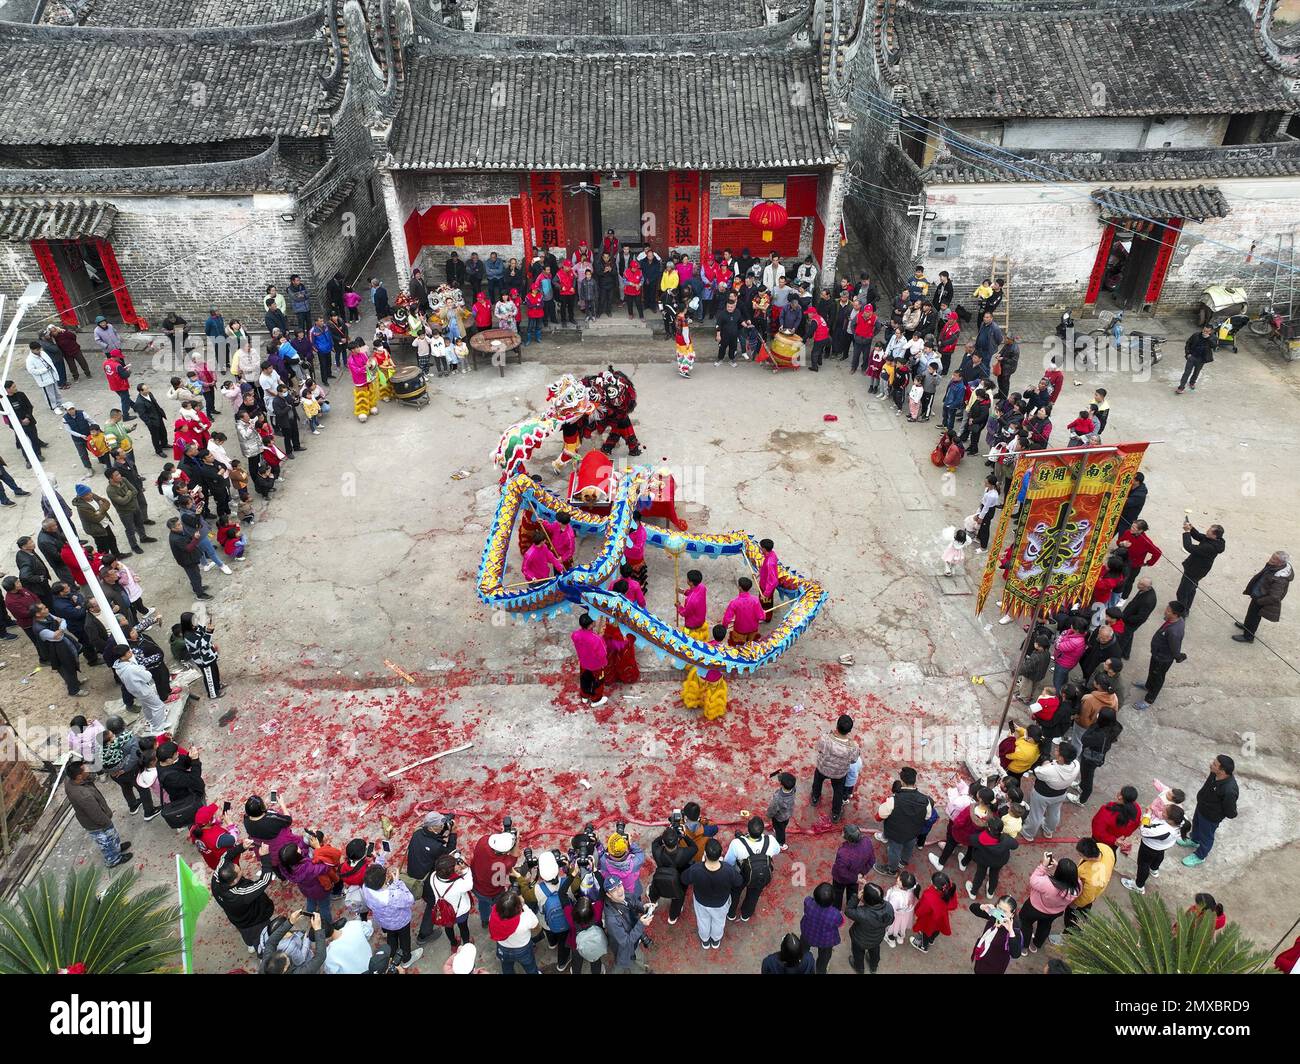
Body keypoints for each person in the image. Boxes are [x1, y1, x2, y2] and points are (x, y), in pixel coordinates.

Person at [64, 759, 131, 867]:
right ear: (79, 776)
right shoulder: (83, 795)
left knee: (112, 838)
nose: (88, 769)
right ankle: (113, 860)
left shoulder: (69, 780)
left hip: (90, 818)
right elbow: (96, 815)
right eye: (85, 769)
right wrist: (107, 822)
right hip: (97, 824)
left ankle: (117, 848)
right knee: (106, 842)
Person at [1177, 754, 1239, 867]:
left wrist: (1217, 814)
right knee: (1196, 825)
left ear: (1222, 771)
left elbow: (1230, 811)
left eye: (1214, 764)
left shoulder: (1229, 790)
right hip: (1201, 807)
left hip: (1211, 817)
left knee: (1206, 836)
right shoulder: (1215, 773)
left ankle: (1200, 856)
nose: (1211, 764)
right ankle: (1194, 840)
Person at [681, 838, 741, 950]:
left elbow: (684, 879)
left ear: (705, 854)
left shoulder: (696, 869)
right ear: (720, 855)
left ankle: (705, 941)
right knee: (719, 922)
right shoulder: (728, 869)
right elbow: (739, 882)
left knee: (703, 921)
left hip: (701, 902)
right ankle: (715, 940)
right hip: (721, 903)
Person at [362, 863, 423, 970]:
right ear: (384, 880)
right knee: (404, 939)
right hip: (400, 921)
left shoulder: (366, 887)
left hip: (384, 921)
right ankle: (406, 959)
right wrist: (397, 882)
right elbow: (409, 899)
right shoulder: (393, 896)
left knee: (391, 936)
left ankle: (393, 956)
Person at [875, 766, 933, 875]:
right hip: (913, 832)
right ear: (914, 781)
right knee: (909, 846)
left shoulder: (893, 800)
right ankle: (903, 861)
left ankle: (892, 870)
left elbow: (881, 814)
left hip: (896, 834)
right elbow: (927, 817)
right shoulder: (926, 801)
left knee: (894, 851)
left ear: (902, 782)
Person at [212, 851, 275, 953]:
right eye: (239, 870)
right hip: (255, 921)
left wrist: (242, 847)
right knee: (261, 939)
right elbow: (264, 881)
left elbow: (224, 858)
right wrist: (265, 857)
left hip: (239, 920)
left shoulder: (215, 882)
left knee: (246, 934)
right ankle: (262, 954)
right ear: (234, 881)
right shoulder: (239, 895)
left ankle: (250, 945)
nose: (239, 868)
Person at [1131, 601, 1187, 712]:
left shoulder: (1174, 631)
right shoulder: (1175, 620)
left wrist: (1178, 657)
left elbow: (1175, 649)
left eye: (1168, 610)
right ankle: (1148, 685)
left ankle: (1149, 700)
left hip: (1163, 658)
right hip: (1157, 654)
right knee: (1152, 671)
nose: (1165, 611)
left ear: (1175, 614)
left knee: (1158, 678)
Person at [1121, 805, 1189, 894]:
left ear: (1170, 820)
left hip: (1150, 848)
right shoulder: (1182, 819)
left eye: (1164, 812)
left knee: (1143, 865)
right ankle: (1154, 869)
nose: (1162, 810)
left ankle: (1139, 886)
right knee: (1159, 856)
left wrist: (1147, 814)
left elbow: (1144, 830)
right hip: (1162, 846)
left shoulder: (1164, 830)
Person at [1020, 740, 1080, 841]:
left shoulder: (1050, 770)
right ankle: (1048, 831)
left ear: (1061, 758)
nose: (1055, 749)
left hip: (1042, 795)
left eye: (1057, 750)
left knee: (1036, 815)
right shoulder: (1076, 765)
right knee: (1054, 813)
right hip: (1061, 793)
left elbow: (1037, 772)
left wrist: (1046, 763)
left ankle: (1028, 834)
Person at [1019, 854, 1080, 953]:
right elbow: (1074, 878)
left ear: (1059, 872)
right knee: (1045, 927)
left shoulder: (1047, 884)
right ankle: (1035, 945)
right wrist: (1059, 866)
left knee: (1026, 924)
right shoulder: (1077, 888)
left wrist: (1043, 866)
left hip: (1034, 908)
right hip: (1054, 913)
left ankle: (1024, 947)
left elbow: (1033, 880)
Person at [724, 815, 780, 922]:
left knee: (735, 893)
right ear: (762, 830)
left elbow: (728, 862)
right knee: (754, 895)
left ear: (748, 830)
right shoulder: (771, 840)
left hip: (740, 874)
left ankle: (731, 914)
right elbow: (777, 851)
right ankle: (745, 915)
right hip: (760, 873)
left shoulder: (737, 843)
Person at [1234, 550, 1292, 644]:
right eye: (1272, 557)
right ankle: (1246, 627)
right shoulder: (1274, 566)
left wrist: (1260, 601)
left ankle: (1248, 637)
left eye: (1274, 559)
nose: (1270, 559)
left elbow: (1274, 597)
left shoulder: (1280, 579)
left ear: (1280, 563)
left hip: (1262, 600)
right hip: (1258, 596)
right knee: (1250, 614)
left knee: (1254, 618)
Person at [811, 713, 859, 823]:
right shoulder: (853, 747)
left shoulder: (825, 738)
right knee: (838, 791)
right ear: (849, 731)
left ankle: (815, 798)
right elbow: (853, 760)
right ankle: (835, 814)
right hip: (839, 773)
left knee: (817, 782)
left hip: (823, 768)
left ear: (836, 726)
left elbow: (819, 749)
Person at [602, 875, 654, 973]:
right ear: (608, 895)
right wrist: (641, 924)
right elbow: (625, 943)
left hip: (633, 936)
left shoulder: (625, 894)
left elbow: (634, 903)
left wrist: (644, 907)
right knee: (629, 964)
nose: (619, 891)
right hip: (625, 947)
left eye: (619, 885)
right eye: (613, 890)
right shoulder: (612, 920)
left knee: (638, 958)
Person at [1064, 836, 1115, 931]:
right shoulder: (1105, 849)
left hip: (1085, 895)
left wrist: (1074, 904)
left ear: (1087, 857)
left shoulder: (1093, 879)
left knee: (1072, 916)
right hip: (1095, 891)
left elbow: (1087, 897)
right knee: (1086, 909)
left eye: (1080, 854)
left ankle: (1070, 932)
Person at [470, 830, 518, 928]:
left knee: (483, 905)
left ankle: (484, 921)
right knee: (499, 908)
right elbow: (515, 854)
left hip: (478, 886)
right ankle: (498, 922)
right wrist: (516, 841)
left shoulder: (482, 842)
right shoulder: (506, 863)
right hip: (496, 891)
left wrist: (504, 838)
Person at [1176, 521, 1225, 611]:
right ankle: (1186, 609)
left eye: (1209, 531)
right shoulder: (1216, 540)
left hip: (1194, 571)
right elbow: (1199, 536)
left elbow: (1189, 547)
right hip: (1199, 570)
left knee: (1182, 593)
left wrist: (1187, 532)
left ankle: (1180, 613)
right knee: (1191, 590)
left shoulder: (1209, 547)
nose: (1207, 531)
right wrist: (1191, 528)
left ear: (1214, 535)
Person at [969, 896, 1024, 975]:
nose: (1000, 913)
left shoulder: (1015, 929)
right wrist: (983, 907)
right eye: (999, 908)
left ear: (1012, 913)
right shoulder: (995, 914)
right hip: (982, 954)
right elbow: (972, 908)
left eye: (1005, 911)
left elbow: (1015, 954)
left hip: (995, 963)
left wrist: (1010, 931)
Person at [800, 882, 845, 973]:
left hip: (808, 933)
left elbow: (808, 902)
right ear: (833, 901)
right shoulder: (835, 914)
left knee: (803, 948)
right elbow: (840, 923)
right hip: (825, 940)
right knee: (825, 956)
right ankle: (821, 970)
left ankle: (802, 960)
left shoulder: (808, 902)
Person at [910, 872, 959, 953]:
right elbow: (953, 905)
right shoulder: (949, 888)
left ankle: (923, 946)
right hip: (941, 918)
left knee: (926, 932)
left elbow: (921, 911)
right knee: (937, 930)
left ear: (935, 886)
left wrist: (917, 913)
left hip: (929, 920)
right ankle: (931, 940)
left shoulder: (929, 897)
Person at [180, 611, 223, 699]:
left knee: (215, 672)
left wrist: (208, 630)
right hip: (203, 660)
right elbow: (201, 644)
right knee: (209, 676)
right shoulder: (188, 636)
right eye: (194, 619)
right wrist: (209, 632)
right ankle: (213, 694)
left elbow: (205, 633)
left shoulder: (196, 626)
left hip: (210, 655)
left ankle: (218, 686)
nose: (196, 620)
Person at [1118, 576, 1157, 659]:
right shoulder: (1144, 590)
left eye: (1142, 584)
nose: (1138, 585)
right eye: (1139, 582)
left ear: (1148, 587)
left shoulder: (1148, 601)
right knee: (1128, 635)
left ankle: (1117, 655)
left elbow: (1141, 617)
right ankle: (1126, 654)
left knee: (1123, 638)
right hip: (1130, 616)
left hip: (1131, 622)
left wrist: (1127, 619)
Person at [884, 870, 921, 948]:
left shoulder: (897, 896)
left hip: (896, 916)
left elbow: (890, 907)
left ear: (904, 886)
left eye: (900, 879)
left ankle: (891, 940)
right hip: (906, 915)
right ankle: (900, 938)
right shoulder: (912, 890)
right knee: (902, 927)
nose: (898, 879)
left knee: (892, 929)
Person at [1177, 323, 1215, 394]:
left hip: (1201, 359)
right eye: (1204, 330)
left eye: (1207, 331)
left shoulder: (1213, 337)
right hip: (1192, 357)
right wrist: (1188, 353)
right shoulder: (1196, 335)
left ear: (1210, 331)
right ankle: (1181, 387)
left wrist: (1208, 338)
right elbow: (1188, 343)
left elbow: (1214, 346)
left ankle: (1192, 382)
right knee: (1187, 372)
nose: (1204, 332)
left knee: (1196, 372)